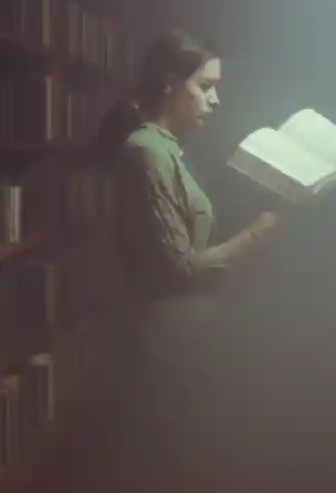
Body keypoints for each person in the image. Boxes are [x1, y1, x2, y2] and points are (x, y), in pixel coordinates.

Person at [111, 29, 279, 364]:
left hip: (193, 328)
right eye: (204, 86)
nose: (215, 99)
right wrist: (256, 234)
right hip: (171, 337)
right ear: (170, 83)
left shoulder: (172, 147)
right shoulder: (148, 152)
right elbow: (181, 268)